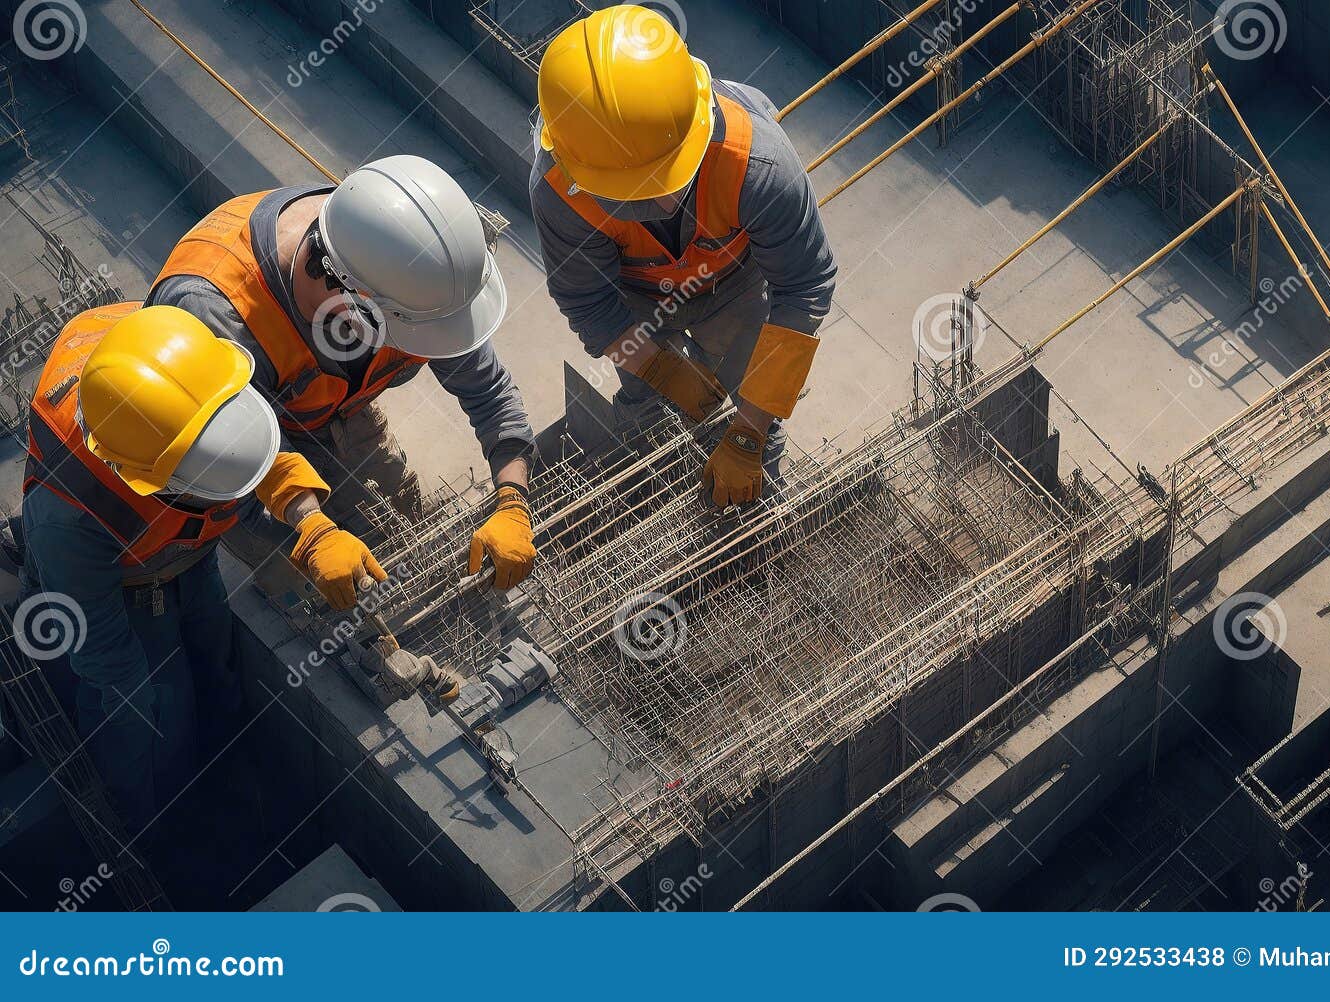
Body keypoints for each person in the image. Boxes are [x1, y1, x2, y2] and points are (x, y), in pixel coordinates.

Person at [17, 303, 365, 825]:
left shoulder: (181, 362)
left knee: (215, 657)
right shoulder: (69, 513)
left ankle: (224, 769)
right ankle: (152, 820)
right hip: (121, 585)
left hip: (189, 549)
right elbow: (109, 661)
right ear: (145, 477)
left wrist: (313, 523)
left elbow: (251, 453)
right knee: (148, 712)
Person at [149, 154, 538, 598]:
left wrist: (513, 501)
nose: (420, 346)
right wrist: (313, 529)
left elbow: (488, 390)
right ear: (348, 294)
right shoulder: (213, 313)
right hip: (231, 453)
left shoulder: (406, 268)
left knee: (396, 508)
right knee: (316, 581)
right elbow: (237, 449)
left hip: (336, 411)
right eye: (412, 334)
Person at [530, 5, 836, 507]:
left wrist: (748, 432)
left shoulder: (757, 163)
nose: (656, 204)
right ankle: (649, 496)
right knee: (644, 408)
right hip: (636, 301)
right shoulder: (561, 190)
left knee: (756, 418)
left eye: (665, 179)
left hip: (736, 283)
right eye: (630, 193)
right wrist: (662, 372)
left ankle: (756, 521)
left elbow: (803, 287)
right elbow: (591, 307)